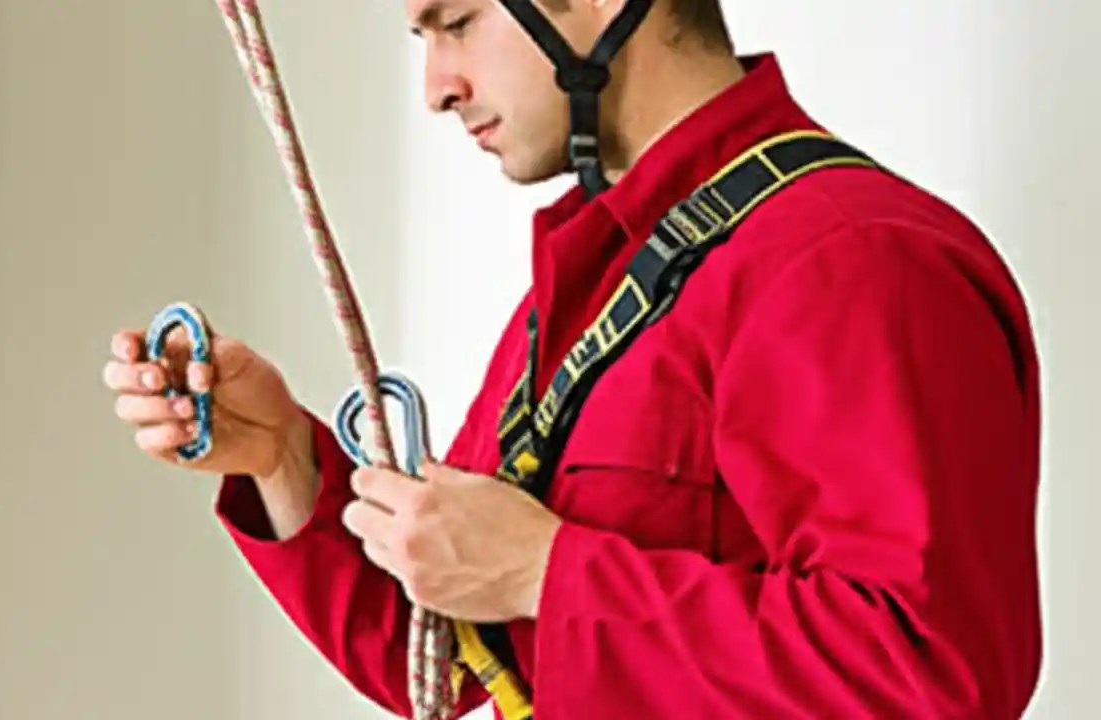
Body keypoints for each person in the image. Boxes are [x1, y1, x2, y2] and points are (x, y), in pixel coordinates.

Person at [103, 0, 1043, 717]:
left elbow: (927, 677)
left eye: (457, 23)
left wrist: (547, 573)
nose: (435, 85)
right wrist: (282, 460)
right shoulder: (611, 276)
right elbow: (436, 654)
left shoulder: (849, 261)